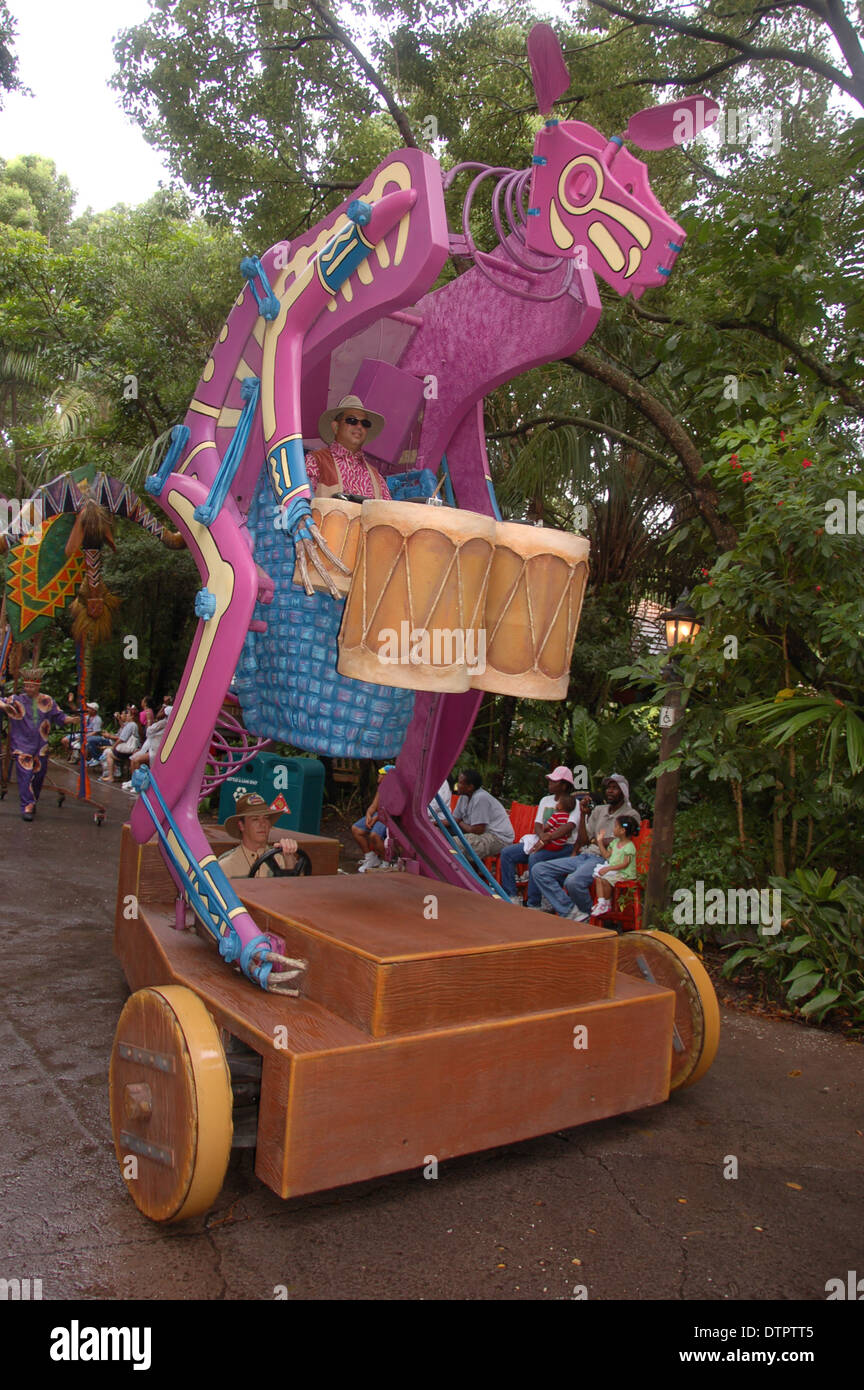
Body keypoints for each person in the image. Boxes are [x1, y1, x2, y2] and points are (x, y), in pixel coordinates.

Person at [531, 774, 640, 920]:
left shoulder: (631, 814)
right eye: (608, 788)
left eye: (615, 788)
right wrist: (583, 815)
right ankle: (571, 912)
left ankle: (590, 917)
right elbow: (585, 840)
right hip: (585, 855)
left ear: (624, 791)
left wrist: (596, 840)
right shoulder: (599, 810)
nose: (610, 791)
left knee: (573, 881)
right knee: (539, 869)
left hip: (605, 860)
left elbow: (619, 841)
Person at [0, 665, 78, 820]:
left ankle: (32, 800)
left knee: (39, 775)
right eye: (27, 685)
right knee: (25, 773)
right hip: (21, 744)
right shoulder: (16, 699)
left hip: (40, 745)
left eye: (32, 686)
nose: (29, 688)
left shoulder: (47, 700)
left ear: (38, 686)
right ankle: (27, 805)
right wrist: (4, 705)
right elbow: (2, 703)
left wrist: (72, 719)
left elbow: (59, 716)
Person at [499, 765, 579, 905]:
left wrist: (547, 839)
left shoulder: (574, 803)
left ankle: (533, 902)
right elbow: (538, 824)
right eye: (550, 780)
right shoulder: (545, 800)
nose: (550, 783)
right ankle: (511, 895)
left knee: (536, 858)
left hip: (563, 847)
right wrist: (542, 837)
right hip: (543, 842)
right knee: (507, 853)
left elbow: (569, 826)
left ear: (564, 786)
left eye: (554, 781)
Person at [306, 395, 392, 500]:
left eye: (365, 423)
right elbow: (302, 505)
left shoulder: (377, 478)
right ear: (336, 427)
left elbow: (387, 512)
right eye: (352, 420)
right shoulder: (315, 462)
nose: (359, 426)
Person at [218, 792, 299, 878]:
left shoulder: (282, 857)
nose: (262, 824)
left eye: (266, 818)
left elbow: (296, 888)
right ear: (241, 825)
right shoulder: (225, 866)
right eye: (255, 819)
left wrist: (289, 857)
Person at [452, 768, 515, 860]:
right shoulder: (463, 796)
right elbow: (454, 819)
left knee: (456, 843)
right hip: (478, 833)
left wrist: (459, 822)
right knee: (439, 833)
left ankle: (464, 872)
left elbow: (477, 830)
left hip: (498, 838)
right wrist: (433, 824)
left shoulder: (481, 798)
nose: (457, 785)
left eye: (461, 783)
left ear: (470, 787)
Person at [590, 814, 640, 917]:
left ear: (622, 830)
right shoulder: (614, 843)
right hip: (614, 871)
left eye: (616, 826)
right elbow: (606, 855)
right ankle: (601, 902)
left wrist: (608, 868)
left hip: (624, 873)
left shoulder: (629, 846)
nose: (613, 829)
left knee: (606, 879)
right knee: (598, 878)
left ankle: (607, 903)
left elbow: (625, 864)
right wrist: (600, 842)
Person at [352, 763, 396, 871]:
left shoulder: (396, 790)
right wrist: (368, 815)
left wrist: (376, 818)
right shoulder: (380, 788)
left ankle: (386, 861)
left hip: (389, 816)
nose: (378, 776)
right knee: (356, 829)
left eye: (381, 774)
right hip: (378, 815)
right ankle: (371, 857)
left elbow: (391, 810)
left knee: (374, 836)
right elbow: (373, 806)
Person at [121, 704, 173, 792]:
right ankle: (134, 781)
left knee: (137, 760)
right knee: (133, 758)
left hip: (156, 750)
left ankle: (139, 784)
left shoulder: (164, 723)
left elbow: (149, 731)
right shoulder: (164, 722)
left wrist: (149, 721)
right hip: (152, 747)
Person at [100, 706, 141, 782]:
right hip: (134, 748)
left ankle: (111, 776)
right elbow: (123, 727)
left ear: (131, 716)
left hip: (128, 750)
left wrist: (113, 747)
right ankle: (114, 773)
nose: (126, 716)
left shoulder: (131, 725)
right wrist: (119, 719)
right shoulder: (134, 724)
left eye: (128, 714)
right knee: (110, 751)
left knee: (109, 754)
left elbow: (122, 739)